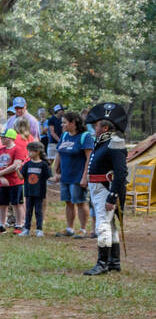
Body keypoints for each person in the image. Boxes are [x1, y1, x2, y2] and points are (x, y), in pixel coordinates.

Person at [81, 102, 128, 276]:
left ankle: (102, 264)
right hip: (98, 188)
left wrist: (112, 196)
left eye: (97, 125)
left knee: (102, 225)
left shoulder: (115, 142)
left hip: (106, 188)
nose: (94, 127)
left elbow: (121, 173)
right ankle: (113, 262)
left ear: (106, 127)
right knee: (110, 225)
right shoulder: (102, 141)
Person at [53, 111, 92, 237]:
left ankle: (83, 229)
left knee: (80, 202)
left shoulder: (85, 136)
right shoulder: (64, 136)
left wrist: (85, 176)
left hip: (78, 176)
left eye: (64, 122)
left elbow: (89, 158)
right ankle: (70, 228)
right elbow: (59, 153)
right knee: (68, 202)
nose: (62, 125)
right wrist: (56, 171)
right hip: (65, 176)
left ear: (73, 123)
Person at [0, 127, 27, 235]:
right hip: (2, 181)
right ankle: (1, 225)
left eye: (3, 137)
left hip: (14, 181)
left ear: (10, 138)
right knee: (2, 204)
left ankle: (19, 224)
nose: (1, 139)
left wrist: (1, 173)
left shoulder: (18, 149)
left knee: (17, 204)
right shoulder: (0, 150)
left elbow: (16, 164)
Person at [21, 141, 49, 237]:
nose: (28, 153)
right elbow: (21, 177)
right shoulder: (27, 164)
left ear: (37, 152)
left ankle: (39, 229)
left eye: (30, 151)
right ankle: (26, 229)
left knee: (38, 211)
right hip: (29, 191)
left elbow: (48, 177)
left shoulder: (43, 165)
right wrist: (17, 170)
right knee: (28, 211)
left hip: (39, 192)